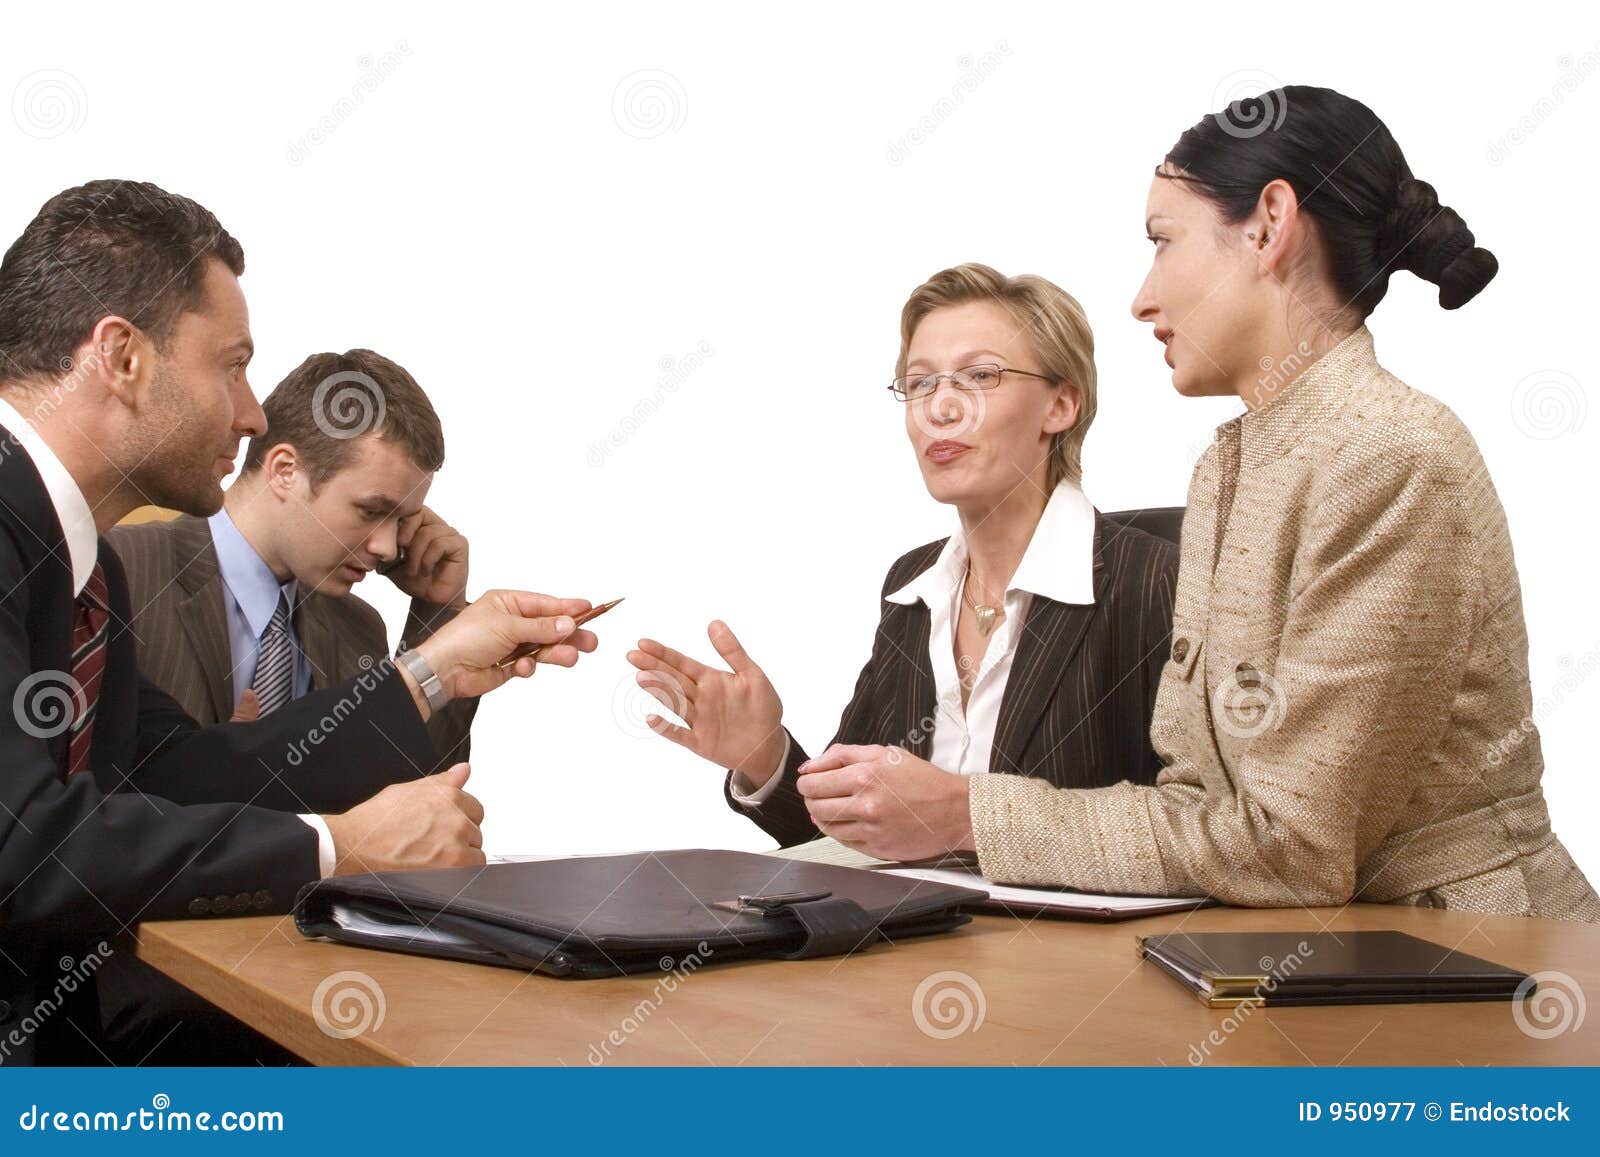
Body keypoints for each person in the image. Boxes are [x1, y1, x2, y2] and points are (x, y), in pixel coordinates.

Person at [800, 86, 1599, 920]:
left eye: (1162, 242)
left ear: (1269, 226)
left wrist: (968, 811)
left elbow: (1290, 846)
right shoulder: (1229, 466)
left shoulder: (1391, 457)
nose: (1142, 298)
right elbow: (1200, 803)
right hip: (1317, 949)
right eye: (920, 381)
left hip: (1479, 960)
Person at [0, 179, 599, 1064]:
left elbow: (190, 770)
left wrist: (434, 669)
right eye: (231, 365)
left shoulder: (82, 569)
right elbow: (25, 845)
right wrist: (339, 844)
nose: (249, 412)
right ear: (121, 357)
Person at [626, 263, 1177, 855]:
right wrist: (764, 755)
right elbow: (855, 838)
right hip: (921, 948)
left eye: (980, 376)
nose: (942, 409)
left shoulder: (1161, 583)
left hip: (1074, 950)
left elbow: (1219, 829)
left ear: (1060, 405)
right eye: (919, 383)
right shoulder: (914, 587)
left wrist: (969, 817)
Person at [108, 348, 477, 770]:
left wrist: (438, 613)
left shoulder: (357, 629)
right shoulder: (119, 571)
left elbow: (414, 799)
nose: (388, 548)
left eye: (401, 521)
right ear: (285, 470)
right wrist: (214, 775)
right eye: (372, 511)